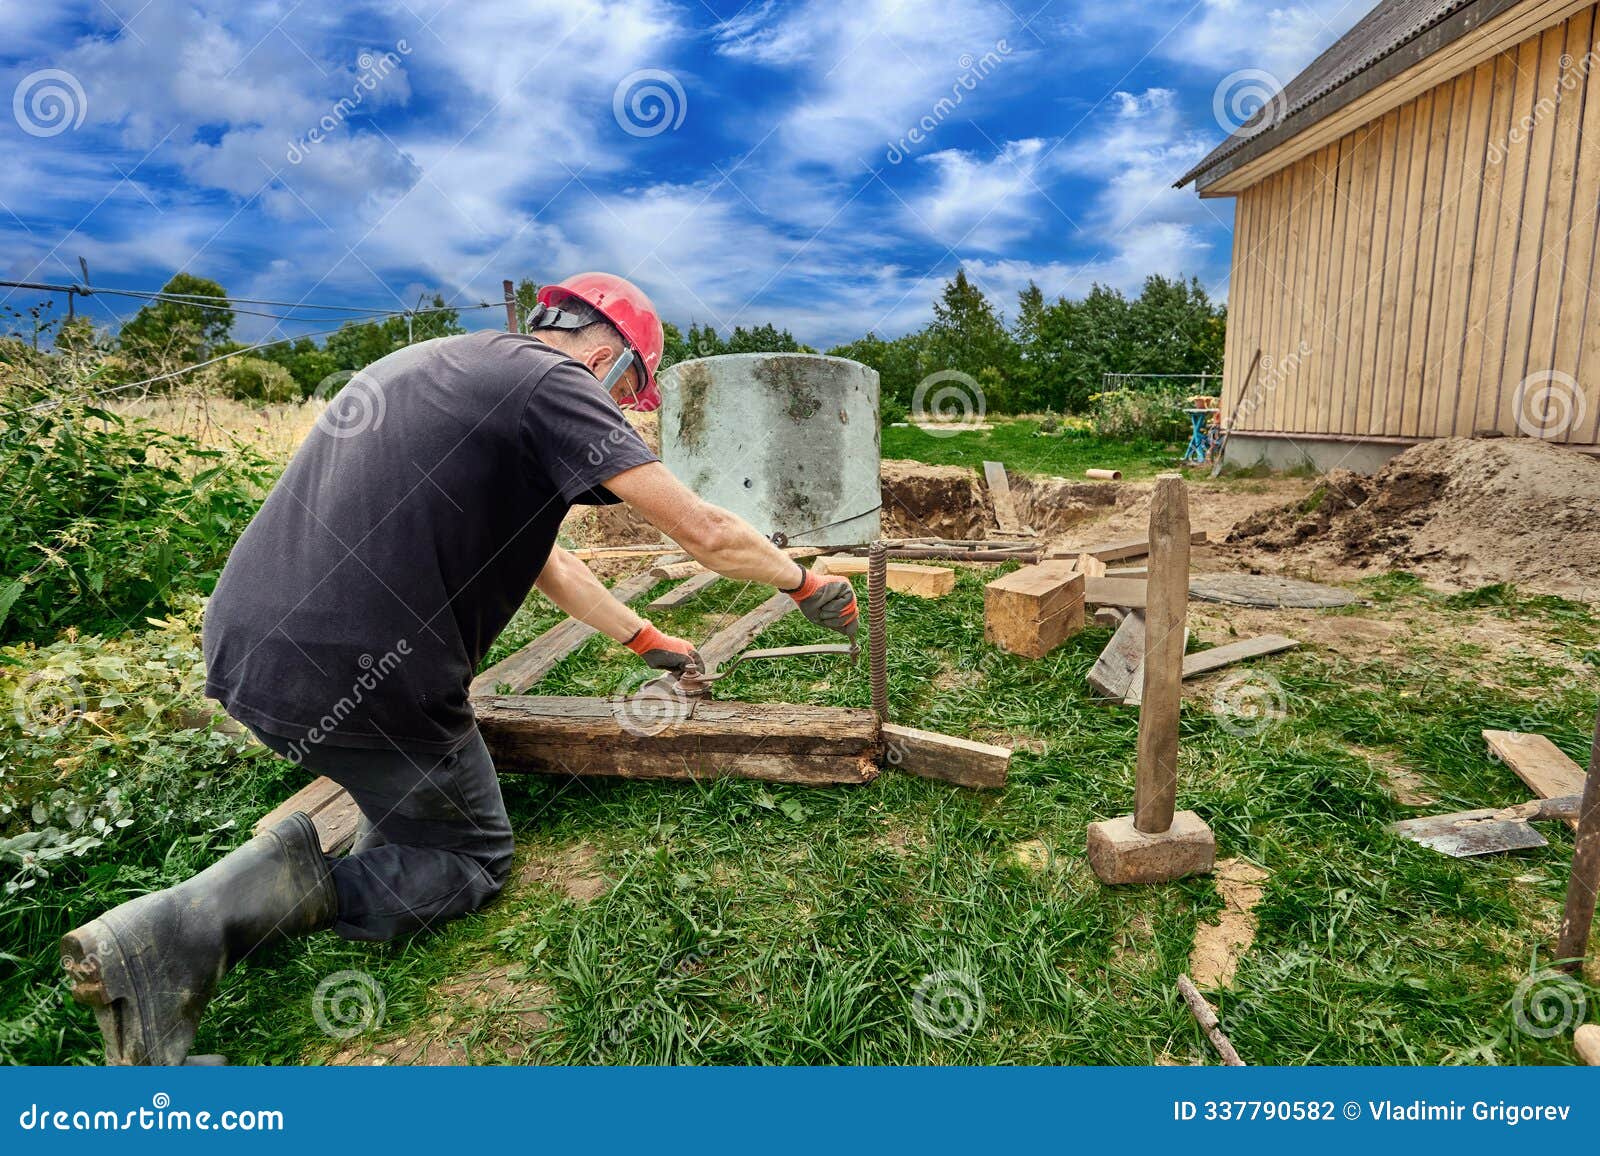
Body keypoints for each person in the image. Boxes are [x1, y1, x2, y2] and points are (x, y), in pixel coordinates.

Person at [60, 272, 859, 1065]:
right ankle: (184, 927)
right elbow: (707, 530)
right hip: (358, 673)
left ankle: (298, 860)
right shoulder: (556, 384)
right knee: (470, 858)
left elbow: (547, 559)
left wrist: (645, 640)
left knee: (405, 806)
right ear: (612, 357)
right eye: (630, 392)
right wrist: (805, 581)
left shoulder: (449, 363)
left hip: (250, 650)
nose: (620, 410)